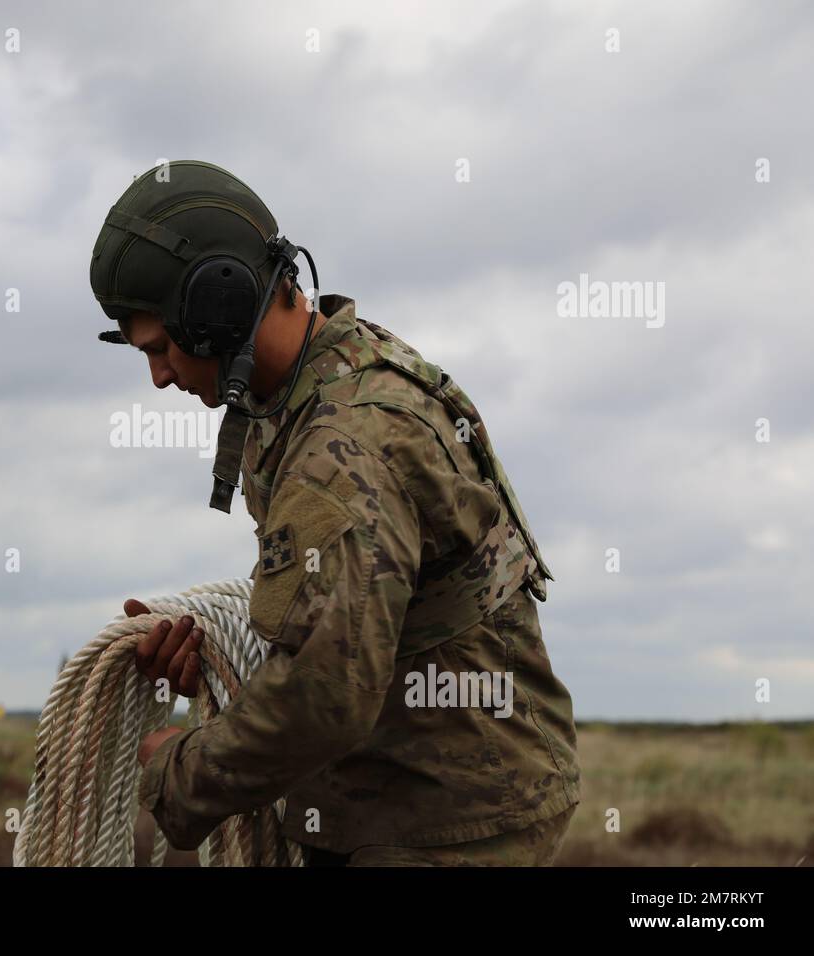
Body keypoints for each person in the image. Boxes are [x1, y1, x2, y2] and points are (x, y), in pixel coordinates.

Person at [89, 159, 581, 865]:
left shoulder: (342, 447)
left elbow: (326, 694)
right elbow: (337, 610)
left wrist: (177, 768)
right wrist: (222, 649)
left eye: (161, 348)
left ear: (218, 306)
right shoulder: (313, 382)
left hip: (443, 817)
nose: (159, 376)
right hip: (396, 788)